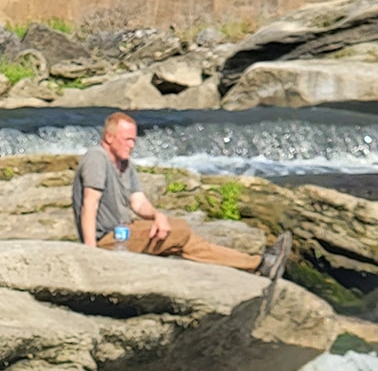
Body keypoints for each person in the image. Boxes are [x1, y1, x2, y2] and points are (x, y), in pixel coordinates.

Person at [73, 111, 289, 277]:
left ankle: (258, 265)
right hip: (109, 240)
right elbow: (89, 205)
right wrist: (92, 255)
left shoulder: (125, 164)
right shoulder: (96, 158)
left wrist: (157, 216)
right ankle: (258, 264)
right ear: (109, 138)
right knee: (180, 230)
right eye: (127, 139)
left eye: (134, 140)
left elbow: (137, 202)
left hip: (125, 232)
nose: (132, 145)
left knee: (191, 242)